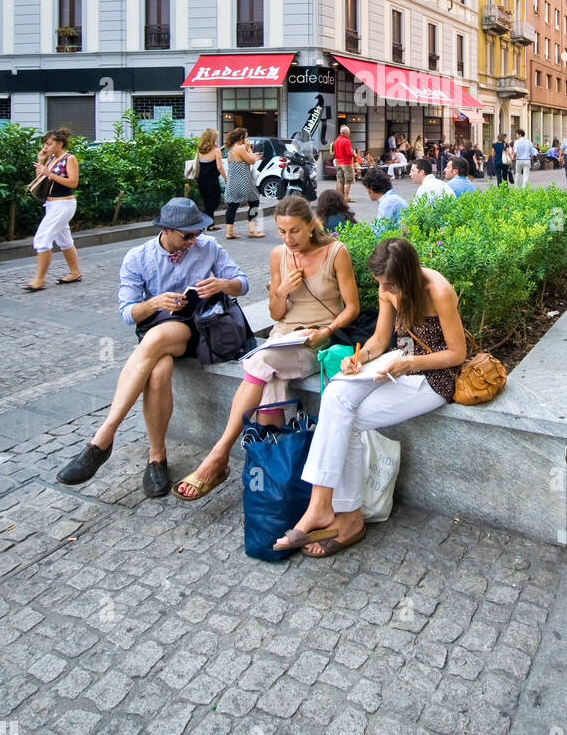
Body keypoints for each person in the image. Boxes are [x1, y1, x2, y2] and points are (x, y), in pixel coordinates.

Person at [274, 236, 467, 556]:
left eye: (390, 285)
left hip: (432, 378)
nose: (385, 291)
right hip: (394, 366)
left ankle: (342, 515)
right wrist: (358, 358)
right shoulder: (387, 288)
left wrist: (409, 363)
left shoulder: (438, 291)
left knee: (343, 420)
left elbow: (457, 354)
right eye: (380, 284)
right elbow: (378, 340)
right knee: (335, 394)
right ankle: (325, 507)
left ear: (407, 275)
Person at [56, 198, 249, 498]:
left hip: (199, 331)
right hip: (157, 330)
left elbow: (243, 283)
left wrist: (222, 284)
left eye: (197, 232)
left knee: (156, 340)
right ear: (166, 230)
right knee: (159, 371)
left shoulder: (208, 248)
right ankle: (157, 456)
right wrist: (155, 303)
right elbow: (127, 313)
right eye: (187, 235)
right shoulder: (138, 257)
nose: (194, 239)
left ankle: (103, 438)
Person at [173, 195, 360, 501]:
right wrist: (281, 291)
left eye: (295, 231)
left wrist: (325, 330)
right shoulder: (278, 255)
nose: (289, 239)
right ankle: (271, 470)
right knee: (269, 374)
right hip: (282, 338)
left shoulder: (335, 252)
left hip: (316, 340)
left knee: (260, 363)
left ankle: (219, 454)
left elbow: (351, 308)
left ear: (311, 225)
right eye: (282, 231)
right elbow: (275, 314)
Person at [23, 127, 83, 291]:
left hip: (64, 204)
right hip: (52, 205)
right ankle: (75, 272)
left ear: (60, 143)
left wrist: (49, 173)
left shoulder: (69, 159)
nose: (45, 147)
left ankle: (39, 280)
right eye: (44, 144)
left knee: (42, 239)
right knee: (64, 240)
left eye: (49, 144)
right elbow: (41, 181)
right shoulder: (51, 159)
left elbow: (73, 183)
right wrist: (41, 162)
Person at [223, 128, 262, 239]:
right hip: (243, 182)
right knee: (254, 202)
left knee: (232, 206)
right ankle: (252, 231)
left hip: (232, 182)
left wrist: (250, 154)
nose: (247, 139)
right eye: (246, 136)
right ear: (242, 138)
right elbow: (252, 161)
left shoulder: (231, 150)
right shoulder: (240, 148)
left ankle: (229, 233)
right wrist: (249, 148)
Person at [194, 128, 225, 223]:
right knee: (214, 202)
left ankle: (210, 224)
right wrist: (226, 178)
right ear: (213, 138)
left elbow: (195, 163)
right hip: (212, 180)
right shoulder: (216, 151)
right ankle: (202, 221)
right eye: (216, 136)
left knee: (207, 202)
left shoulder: (200, 149)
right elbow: (219, 167)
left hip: (201, 178)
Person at [333, 125, 358, 202]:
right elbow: (349, 153)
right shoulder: (346, 141)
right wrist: (354, 154)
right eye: (349, 133)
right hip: (346, 163)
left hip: (338, 162)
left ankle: (340, 197)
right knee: (348, 180)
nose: (349, 134)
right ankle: (346, 197)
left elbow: (334, 153)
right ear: (346, 133)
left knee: (340, 180)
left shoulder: (336, 140)